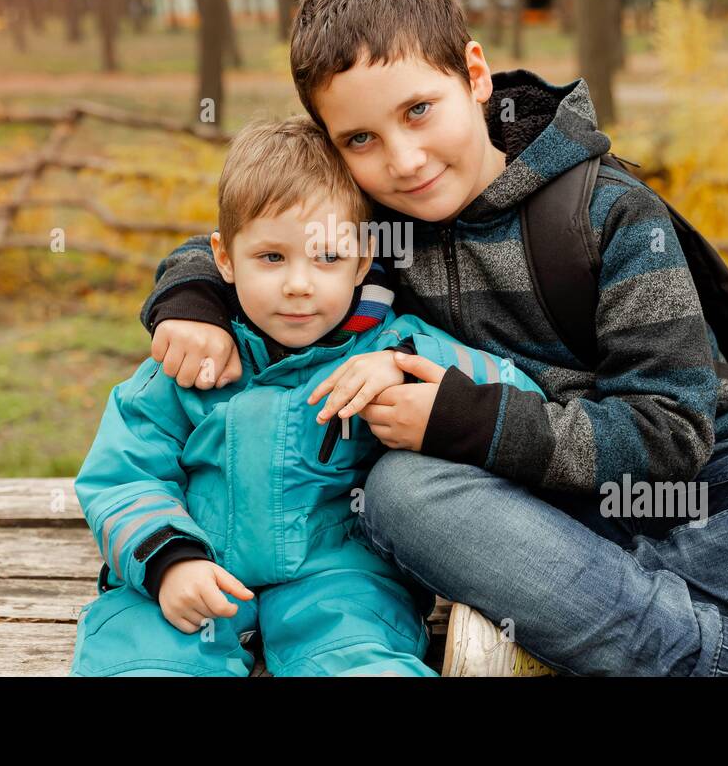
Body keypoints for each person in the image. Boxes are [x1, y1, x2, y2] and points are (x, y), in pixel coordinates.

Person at [136, 0, 728, 677]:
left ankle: (562, 616)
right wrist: (193, 299)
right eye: (359, 140)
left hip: (689, 479)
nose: (404, 160)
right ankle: (717, 657)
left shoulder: (610, 214)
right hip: (510, 506)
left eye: (419, 111)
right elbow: (252, 234)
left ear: (472, 74)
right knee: (400, 493)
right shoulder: (371, 225)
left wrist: (469, 422)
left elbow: (671, 435)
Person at [71, 115, 548, 677]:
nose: (299, 284)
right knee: (142, 656)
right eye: (272, 258)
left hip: (337, 578)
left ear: (363, 260)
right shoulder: (195, 356)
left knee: (357, 658)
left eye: (326, 258)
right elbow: (122, 474)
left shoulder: (392, 346)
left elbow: (517, 390)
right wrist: (169, 562)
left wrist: (409, 371)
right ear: (224, 258)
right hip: (197, 569)